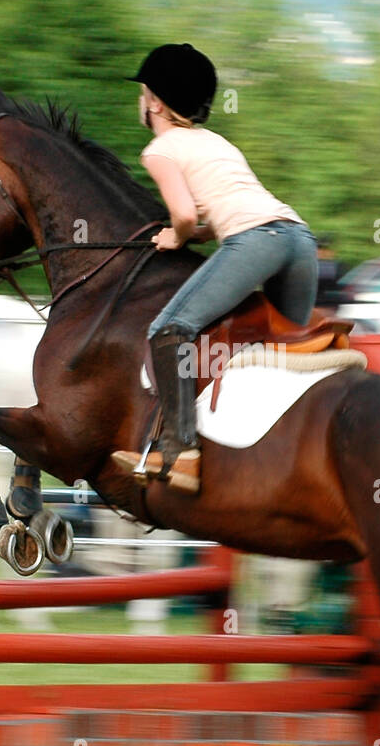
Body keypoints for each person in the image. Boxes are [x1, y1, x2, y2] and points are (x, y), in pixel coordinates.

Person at [109, 43, 319, 494]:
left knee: (169, 330)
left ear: (157, 103)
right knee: (283, 352)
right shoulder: (216, 142)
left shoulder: (160, 149)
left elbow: (184, 215)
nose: (141, 101)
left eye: (144, 93)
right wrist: (204, 233)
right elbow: (231, 210)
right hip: (299, 241)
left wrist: (176, 236)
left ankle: (182, 452)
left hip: (257, 240)